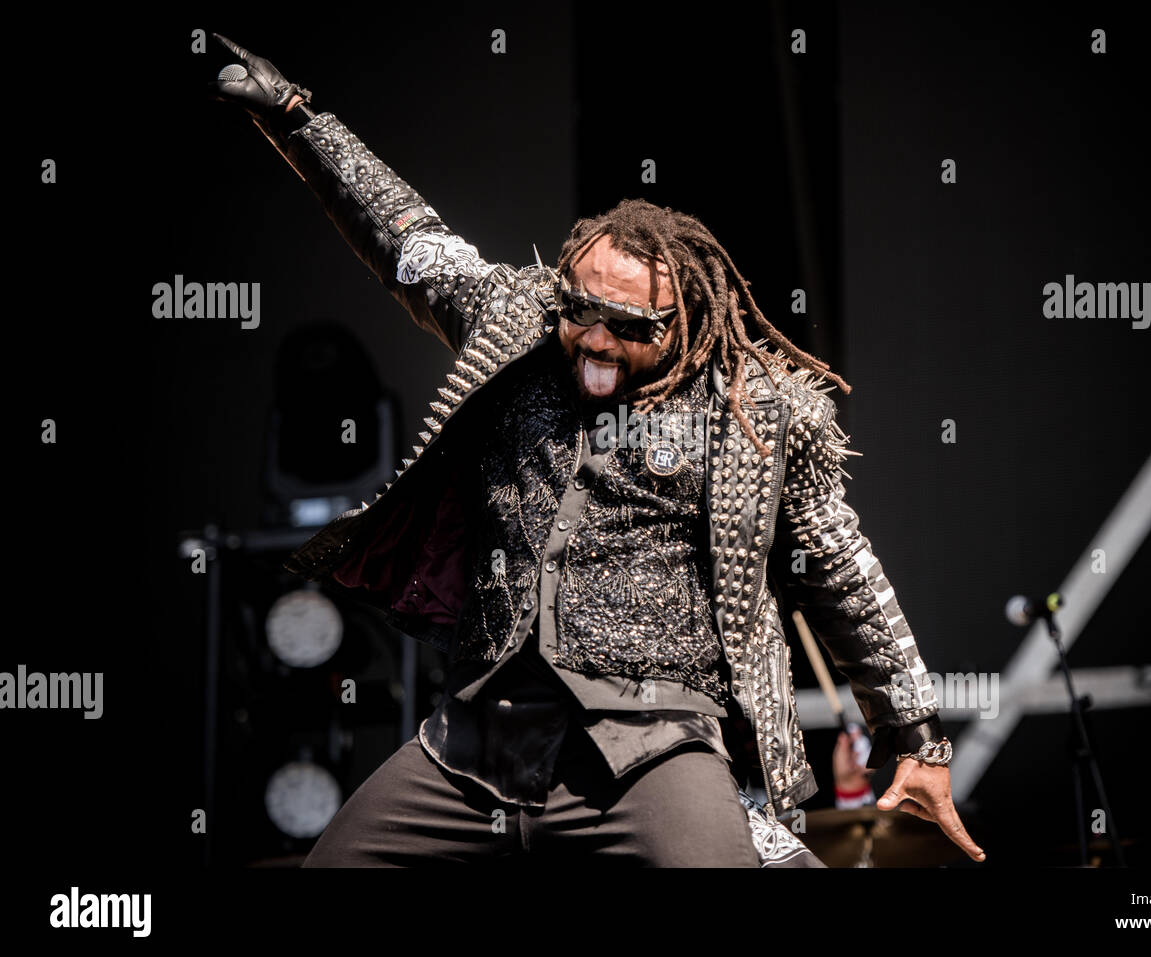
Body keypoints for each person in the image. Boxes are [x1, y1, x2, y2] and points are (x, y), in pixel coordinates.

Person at [207, 33, 985, 867]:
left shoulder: (753, 416)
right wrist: (296, 117)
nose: (597, 341)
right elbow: (406, 237)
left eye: (629, 327)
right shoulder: (516, 327)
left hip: (653, 750)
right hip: (477, 744)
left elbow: (845, 576)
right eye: (582, 312)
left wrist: (918, 739)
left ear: (682, 324)